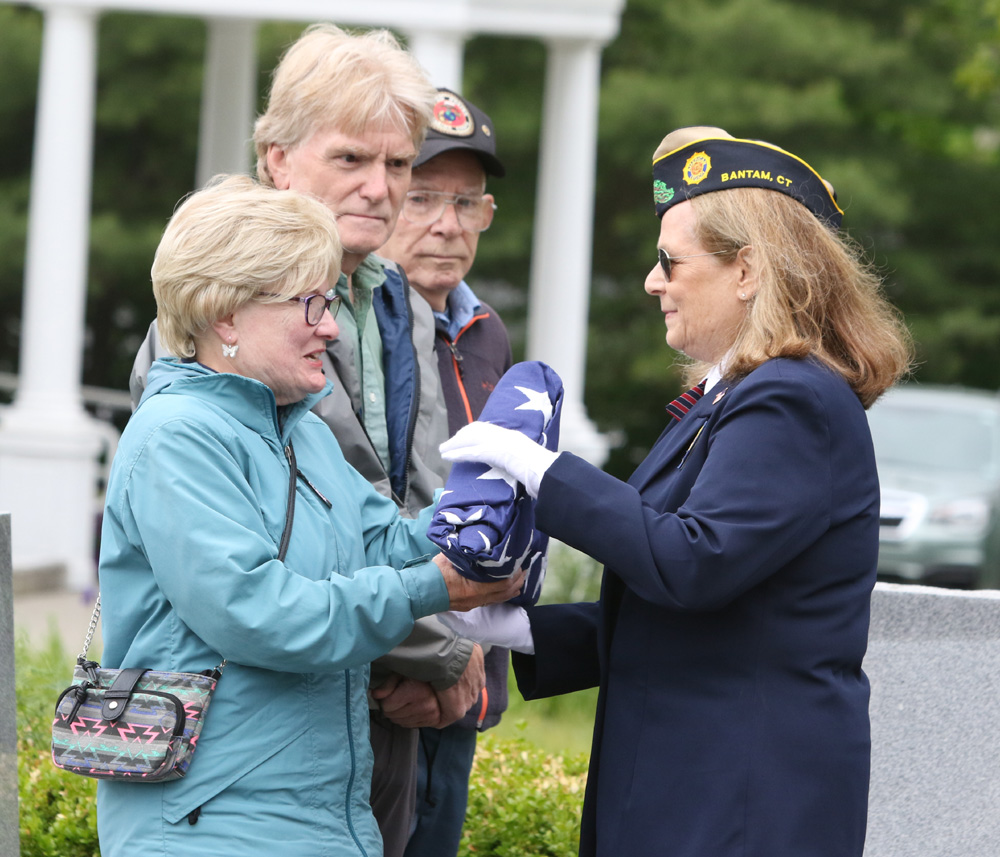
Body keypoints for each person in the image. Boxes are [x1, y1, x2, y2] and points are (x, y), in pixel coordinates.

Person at [438, 127, 913, 857]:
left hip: (745, 802)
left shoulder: (791, 398)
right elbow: (708, 611)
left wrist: (543, 471)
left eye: (670, 260)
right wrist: (529, 632)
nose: (654, 281)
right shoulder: (740, 396)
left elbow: (694, 562)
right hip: (700, 786)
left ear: (747, 269)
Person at [130, 26, 483, 857]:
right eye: (353, 159)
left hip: (377, 710)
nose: (381, 188)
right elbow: (244, 576)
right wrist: (440, 641)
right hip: (252, 731)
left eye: (400, 166)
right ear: (277, 158)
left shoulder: (402, 298)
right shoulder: (204, 312)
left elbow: (395, 501)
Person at [378, 88, 512, 857]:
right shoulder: (348, 327)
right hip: (386, 687)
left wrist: (472, 657)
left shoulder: (484, 331)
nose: (447, 225)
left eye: (468, 204)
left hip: (462, 689)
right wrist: (417, 657)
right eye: (423, 196)